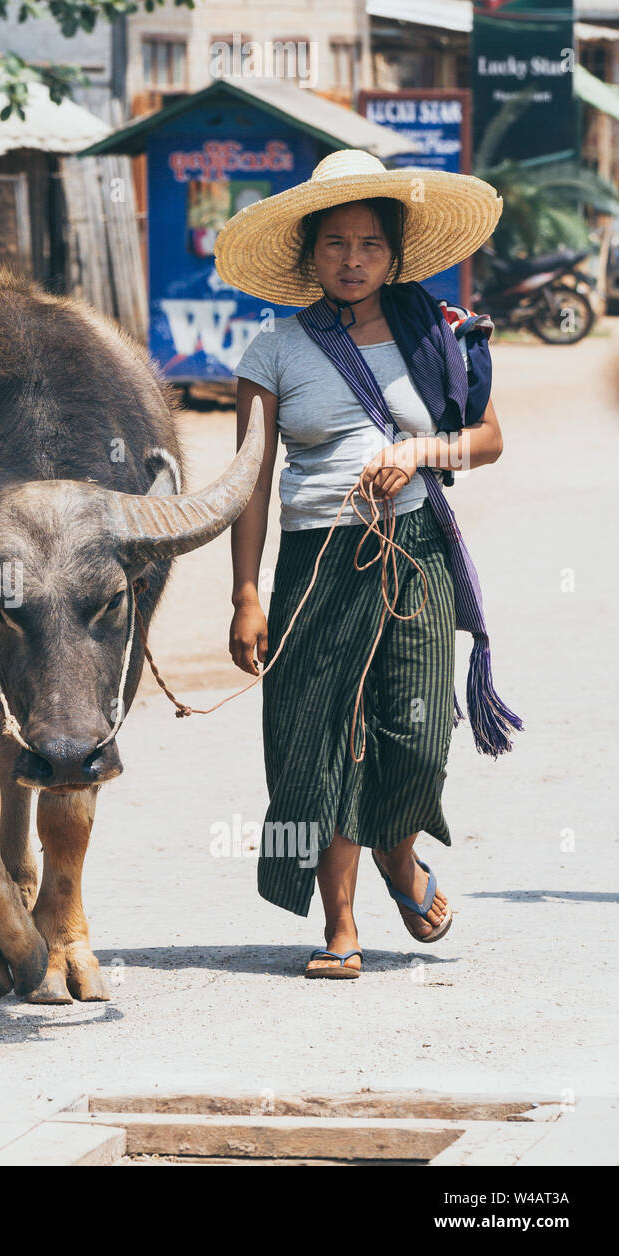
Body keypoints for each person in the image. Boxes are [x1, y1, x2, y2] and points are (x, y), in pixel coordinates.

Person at [214, 149, 521, 979]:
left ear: (394, 253)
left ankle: (399, 851)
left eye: (370, 245)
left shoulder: (437, 331)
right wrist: (246, 592)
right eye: (336, 245)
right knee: (321, 743)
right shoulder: (271, 349)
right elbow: (248, 484)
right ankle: (340, 927)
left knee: (417, 736)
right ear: (310, 253)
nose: (353, 261)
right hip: (314, 562)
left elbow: (488, 440)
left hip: (412, 550)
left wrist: (419, 449)